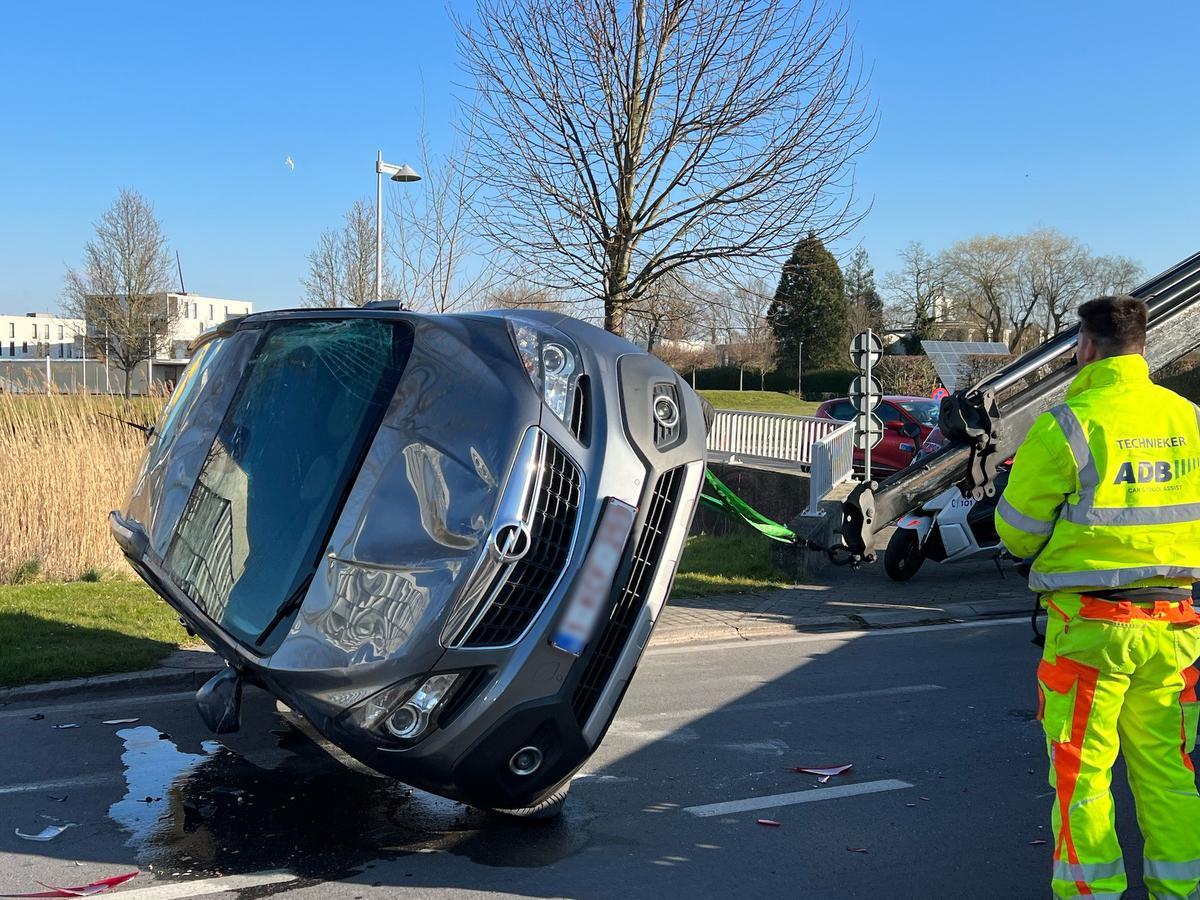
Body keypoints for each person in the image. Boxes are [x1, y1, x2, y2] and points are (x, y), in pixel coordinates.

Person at [997, 295, 1200, 899]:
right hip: (1176, 628)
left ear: (1084, 347)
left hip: (1089, 630)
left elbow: (1015, 532)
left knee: (1082, 778)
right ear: (1143, 347)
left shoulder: (1067, 423)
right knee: (1170, 775)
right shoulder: (1188, 418)